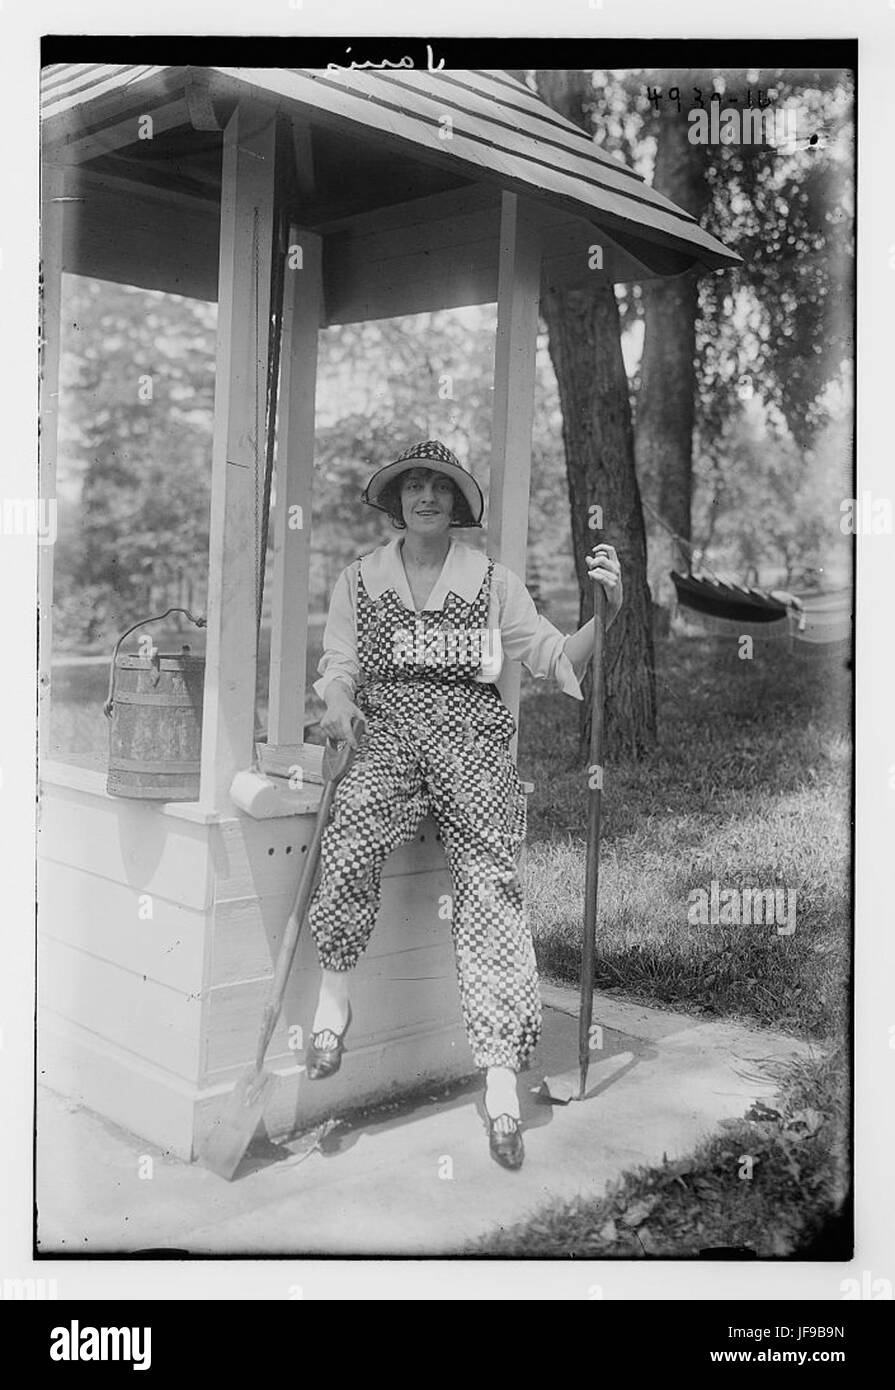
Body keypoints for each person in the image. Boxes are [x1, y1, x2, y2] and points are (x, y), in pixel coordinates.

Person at [305, 439, 623, 1170]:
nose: (424, 496)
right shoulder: (358, 581)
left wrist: (607, 613)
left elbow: (551, 659)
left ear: (455, 506)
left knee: (490, 885)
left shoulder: (490, 583)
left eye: (439, 488)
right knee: (349, 838)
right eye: (412, 485)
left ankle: (502, 1077)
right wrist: (338, 703)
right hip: (383, 731)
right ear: (395, 500)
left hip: (471, 734)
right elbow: (339, 666)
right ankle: (333, 1002)